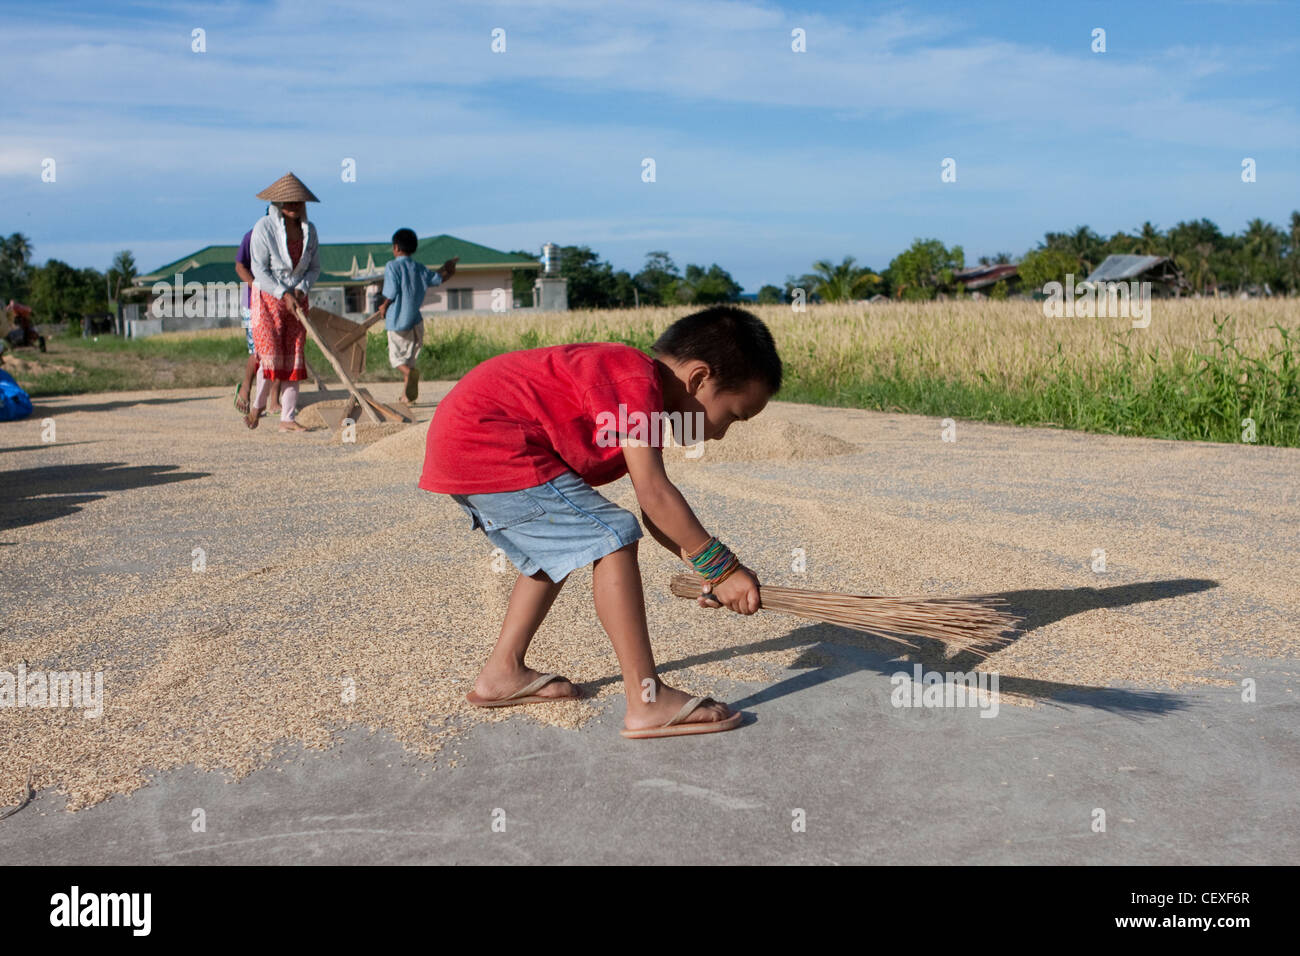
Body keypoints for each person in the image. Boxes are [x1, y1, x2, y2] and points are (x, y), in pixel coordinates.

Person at [419, 305, 782, 739]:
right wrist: (723, 568)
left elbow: (658, 512)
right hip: (489, 440)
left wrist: (708, 570)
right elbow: (654, 493)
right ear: (699, 379)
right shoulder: (634, 379)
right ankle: (646, 700)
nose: (722, 433)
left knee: (562, 546)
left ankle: (502, 672)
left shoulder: (636, 386)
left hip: (467, 442)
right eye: (733, 416)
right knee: (613, 535)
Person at [245, 173, 321, 432]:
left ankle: (287, 418)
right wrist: (283, 293)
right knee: (271, 356)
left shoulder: (310, 231)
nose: (293, 206)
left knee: (294, 357)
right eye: (287, 202)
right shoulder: (263, 228)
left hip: (298, 301)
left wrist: (300, 290)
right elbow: (259, 271)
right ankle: (258, 405)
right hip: (269, 299)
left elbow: (314, 268)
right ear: (278, 203)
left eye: (297, 202)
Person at [376, 228, 457, 403]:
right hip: (415, 321)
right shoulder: (419, 268)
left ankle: (409, 374)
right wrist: (449, 270)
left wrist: (383, 306)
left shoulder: (392, 266)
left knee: (397, 359)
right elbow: (438, 279)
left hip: (397, 321)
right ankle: (406, 397)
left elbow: (391, 291)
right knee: (409, 360)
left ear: (396, 247)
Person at [233, 226, 278, 416]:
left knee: (278, 349)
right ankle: (245, 388)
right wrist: (257, 286)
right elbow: (239, 266)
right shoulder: (251, 236)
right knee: (258, 351)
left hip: (277, 300)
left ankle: (274, 401)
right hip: (253, 300)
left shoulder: (288, 237)